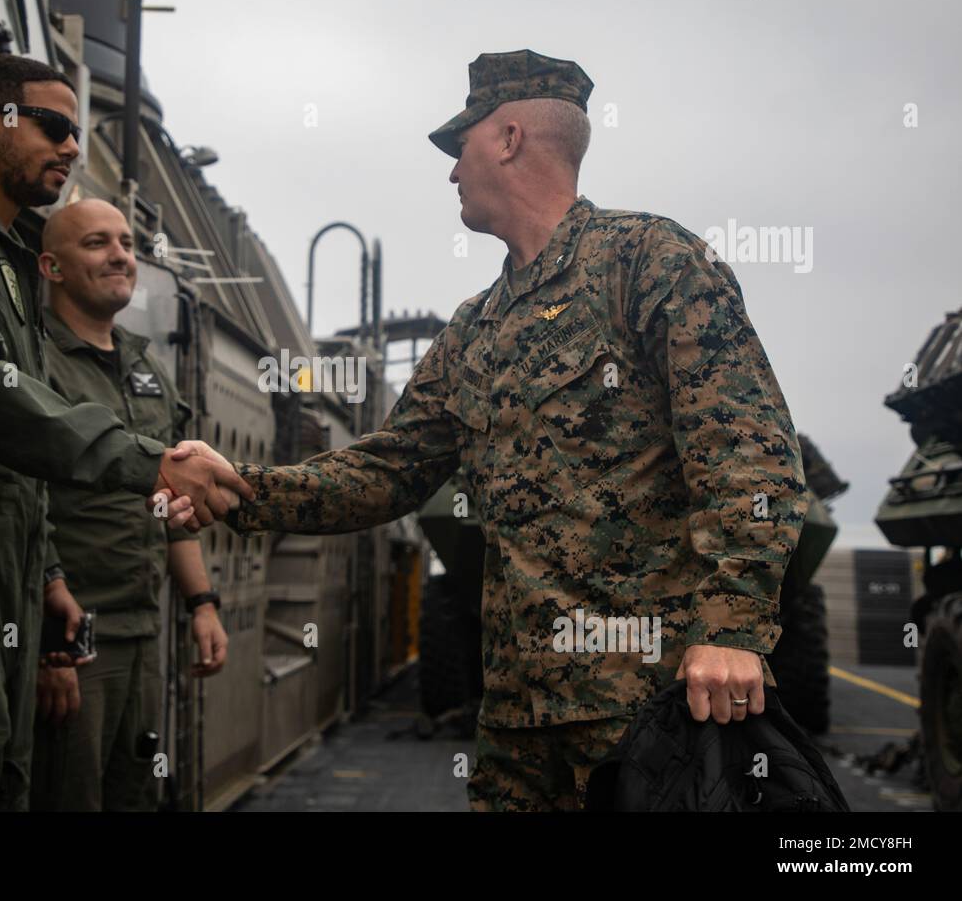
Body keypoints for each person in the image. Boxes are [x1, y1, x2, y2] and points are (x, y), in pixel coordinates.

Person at [193, 48, 809, 811]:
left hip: (649, 714)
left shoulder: (650, 263)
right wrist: (238, 490)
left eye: (462, 148)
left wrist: (734, 628)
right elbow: (388, 471)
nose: (452, 172)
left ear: (510, 137)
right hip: (518, 720)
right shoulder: (475, 327)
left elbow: (747, 451)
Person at [0, 54, 249, 811]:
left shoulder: (6, 257)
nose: (73, 148)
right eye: (53, 127)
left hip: (14, 585)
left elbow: (21, 459)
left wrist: (46, 581)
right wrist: (148, 463)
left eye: (77, 133)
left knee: (10, 782)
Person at [29, 198, 228, 811]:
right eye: (96, 243)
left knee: (133, 791)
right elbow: (25, 499)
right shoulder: (35, 363)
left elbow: (172, 502)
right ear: (51, 267)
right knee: (69, 794)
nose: (119, 255)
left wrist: (202, 604)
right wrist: (47, 646)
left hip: (143, 631)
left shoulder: (147, 370)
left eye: (126, 243)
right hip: (74, 638)